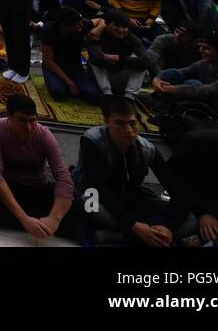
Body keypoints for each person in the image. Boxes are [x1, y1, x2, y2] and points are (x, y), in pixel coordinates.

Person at [73, 96, 183, 247]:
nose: (129, 131)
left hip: (131, 199)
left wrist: (168, 228)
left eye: (132, 124)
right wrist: (135, 226)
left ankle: (121, 236)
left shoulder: (147, 149)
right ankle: (139, 234)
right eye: (120, 124)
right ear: (106, 122)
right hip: (94, 196)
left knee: (188, 219)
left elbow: (175, 189)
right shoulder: (92, 141)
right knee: (92, 211)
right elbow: (97, 188)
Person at [0, 94, 77, 240]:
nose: (29, 127)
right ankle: (27, 220)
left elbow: (63, 177)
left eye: (32, 121)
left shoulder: (44, 135)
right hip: (10, 188)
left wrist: (54, 220)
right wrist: (24, 219)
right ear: (8, 116)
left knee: (77, 202)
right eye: (22, 121)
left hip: (36, 188)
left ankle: (21, 220)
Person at [151, 31, 218, 136]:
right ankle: (167, 114)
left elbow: (204, 92)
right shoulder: (204, 64)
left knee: (192, 86)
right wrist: (158, 79)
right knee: (177, 79)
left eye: (207, 48)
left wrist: (166, 88)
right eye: (201, 47)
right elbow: (180, 72)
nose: (201, 51)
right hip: (216, 107)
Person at [40, 6, 101, 104]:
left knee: (92, 95)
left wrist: (97, 30)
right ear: (63, 25)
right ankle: (63, 83)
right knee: (59, 93)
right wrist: (70, 82)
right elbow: (48, 61)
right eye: (77, 25)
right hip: (54, 67)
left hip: (75, 66)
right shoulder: (49, 30)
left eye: (81, 23)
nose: (80, 26)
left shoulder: (81, 25)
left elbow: (100, 21)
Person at [87, 11, 150, 99]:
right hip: (102, 78)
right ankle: (107, 95)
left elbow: (146, 62)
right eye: (116, 25)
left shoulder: (131, 38)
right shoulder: (97, 34)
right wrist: (120, 63)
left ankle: (129, 97)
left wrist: (118, 58)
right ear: (107, 24)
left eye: (124, 27)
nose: (121, 30)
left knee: (138, 61)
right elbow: (95, 58)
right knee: (93, 61)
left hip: (121, 75)